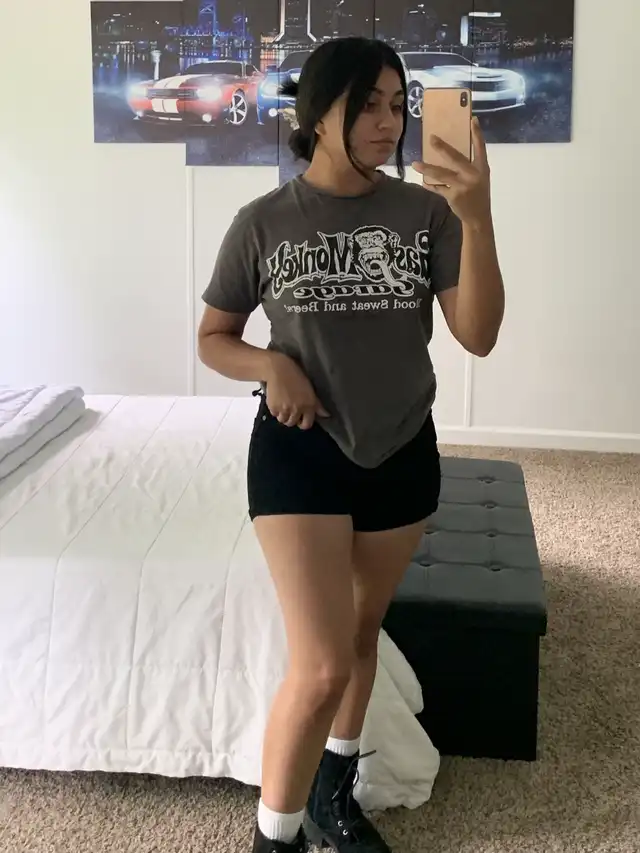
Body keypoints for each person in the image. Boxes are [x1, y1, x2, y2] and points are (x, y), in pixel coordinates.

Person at [198, 36, 504, 853]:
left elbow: (477, 335)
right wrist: (269, 365)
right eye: (367, 103)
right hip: (299, 452)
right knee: (323, 663)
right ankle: (275, 838)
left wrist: (476, 214)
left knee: (364, 635)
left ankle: (334, 795)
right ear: (317, 111)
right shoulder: (263, 221)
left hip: (400, 449)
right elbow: (213, 338)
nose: (388, 120)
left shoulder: (426, 214)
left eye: (398, 105)